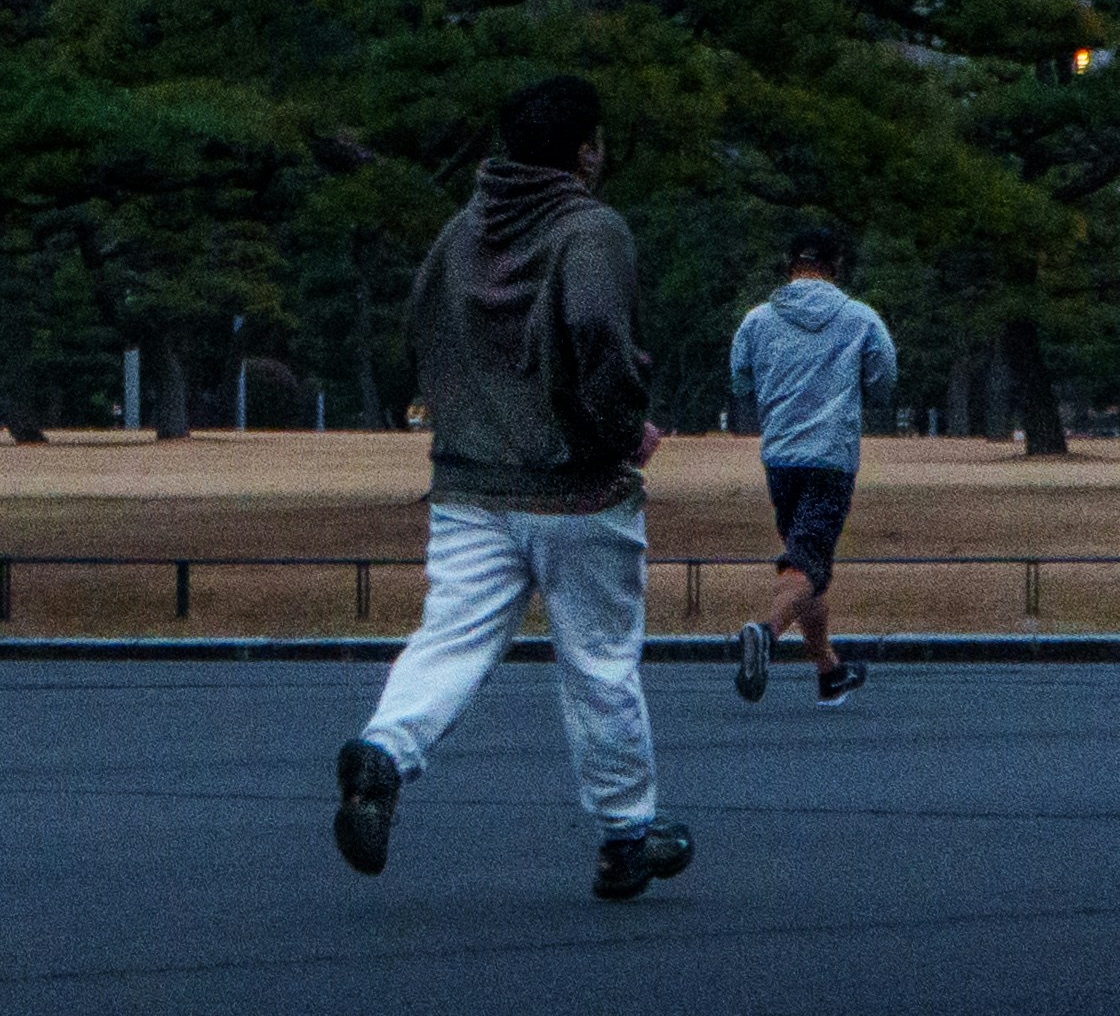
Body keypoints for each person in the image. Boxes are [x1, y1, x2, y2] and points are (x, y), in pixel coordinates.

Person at [330, 76, 695, 903]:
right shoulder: (589, 231)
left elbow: (420, 330)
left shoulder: (460, 232)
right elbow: (601, 336)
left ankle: (385, 751)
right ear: (585, 151)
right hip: (577, 493)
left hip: (468, 484)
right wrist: (620, 430)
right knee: (599, 665)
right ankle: (624, 836)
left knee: (448, 641)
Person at [727, 222, 897, 708]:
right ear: (834, 266)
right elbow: (884, 378)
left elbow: (739, 380)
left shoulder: (757, 319)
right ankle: (766, 633)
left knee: (806, 564)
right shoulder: (860, 319)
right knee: (806, 561)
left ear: (791, 265)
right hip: (830, 457)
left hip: (780, 456)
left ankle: (829, 671)